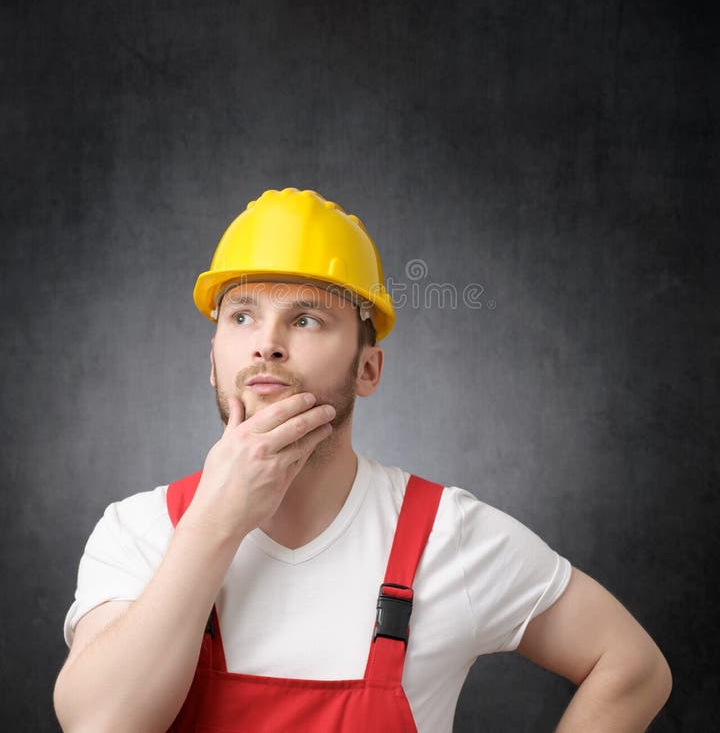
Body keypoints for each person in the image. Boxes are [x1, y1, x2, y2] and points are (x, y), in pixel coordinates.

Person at [54, 188, 672, 732]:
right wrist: (216, 522)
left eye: (307, 318)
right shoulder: (137, 533)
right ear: (212, 359)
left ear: (368, 369)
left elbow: (632, 668)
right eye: (242, 315)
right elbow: (99, 724)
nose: (267, 342)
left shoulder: (445, 536)